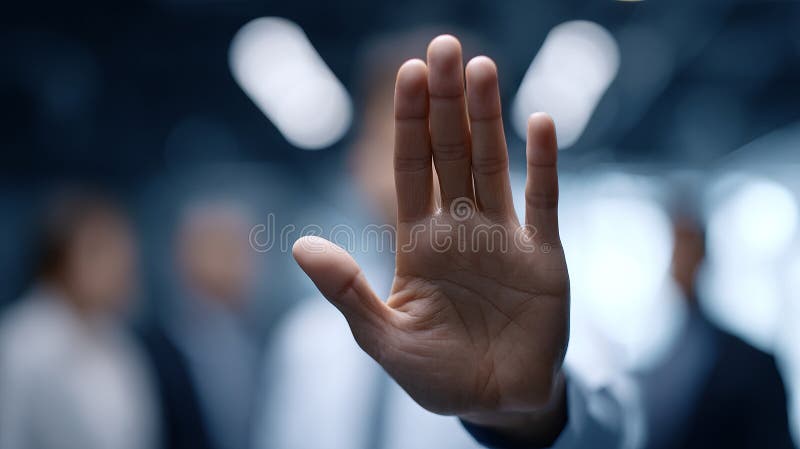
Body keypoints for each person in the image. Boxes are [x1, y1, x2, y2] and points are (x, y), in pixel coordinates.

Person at [289, 34, 796, 449]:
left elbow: (618, 431)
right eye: (404, 139)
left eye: (453, 144)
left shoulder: (549, 317)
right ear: (357, 161)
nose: (440, 168)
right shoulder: (305, 343)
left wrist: (531, 416)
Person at [0, 190, 159, 449]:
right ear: (60, 259)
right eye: (101, 251)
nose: (122, 265)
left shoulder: (120, 341)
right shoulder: (19, 344)